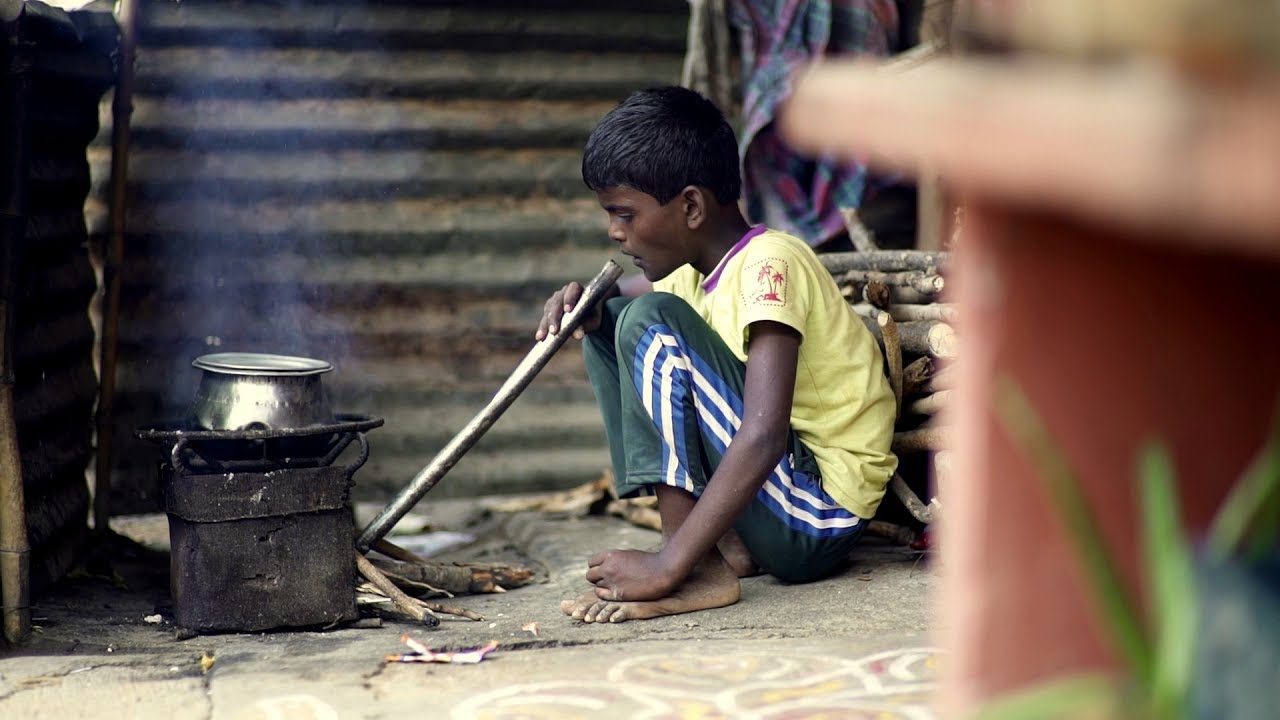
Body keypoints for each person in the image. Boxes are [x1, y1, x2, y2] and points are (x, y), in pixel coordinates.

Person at [536, 86, 897, 624]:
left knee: (643, 322)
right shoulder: (690, 277)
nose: (614, 232)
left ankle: (692, 562)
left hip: (817, 512)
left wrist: (667, 565)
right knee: (610, 324)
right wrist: (588, 305)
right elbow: (623, 312)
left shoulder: (769, 263)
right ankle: (720, 545)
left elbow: (765, 432)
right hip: (771, 507)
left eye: (625, 214)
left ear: (690, 205)